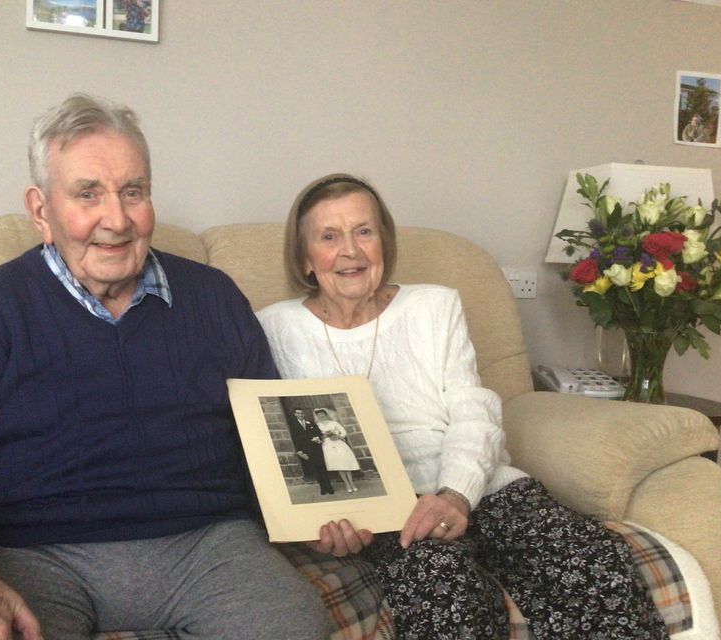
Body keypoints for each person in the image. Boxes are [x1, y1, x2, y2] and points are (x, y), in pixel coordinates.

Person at [0, 94, 330, 640]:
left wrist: (315, 512)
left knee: (292, 624)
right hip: (32, 551)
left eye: (134, 192)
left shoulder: (213, 298)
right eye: (88, 194)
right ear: (40, 210)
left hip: (206, 543)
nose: (118, 219)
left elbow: (273, 436)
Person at [256, 173, 670, 639]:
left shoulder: (434, 306)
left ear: (384, 242)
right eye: (329, 237)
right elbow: (279, 445)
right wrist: (317, 522)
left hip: (477, 482)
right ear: (305, 258)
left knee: (592, 560)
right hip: (388, 510)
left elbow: (473, 409)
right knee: (446, 590)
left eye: (364, 231)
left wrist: (456, 493)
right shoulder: (274, 328)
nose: (350, 251)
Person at [312, 408, 360, 492]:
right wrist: (323, 436)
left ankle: (352, 483)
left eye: (322, 414)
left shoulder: (334, 423)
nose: (321, 416)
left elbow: (344, 432)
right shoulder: (317, 425)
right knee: (338, 464)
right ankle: (347, 484)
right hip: (327, 445)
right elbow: (317, 436)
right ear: (317, 416)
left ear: (325, 414)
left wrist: (339, 436)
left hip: (338, 442)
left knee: (345, 462)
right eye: (319, 415)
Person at [289, 407, 334, 494]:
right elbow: (295, 439)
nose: (300, 415)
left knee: (322, 467)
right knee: (315, 469)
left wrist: (318, 438)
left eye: (301, 413)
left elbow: (319, 433)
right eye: (298, 413)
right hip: (306, 450)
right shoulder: (293, 425)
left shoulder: (310, 422)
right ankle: (323, 488)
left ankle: (329, 487)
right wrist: (300, 451)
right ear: (295, 414)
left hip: (316, 448)